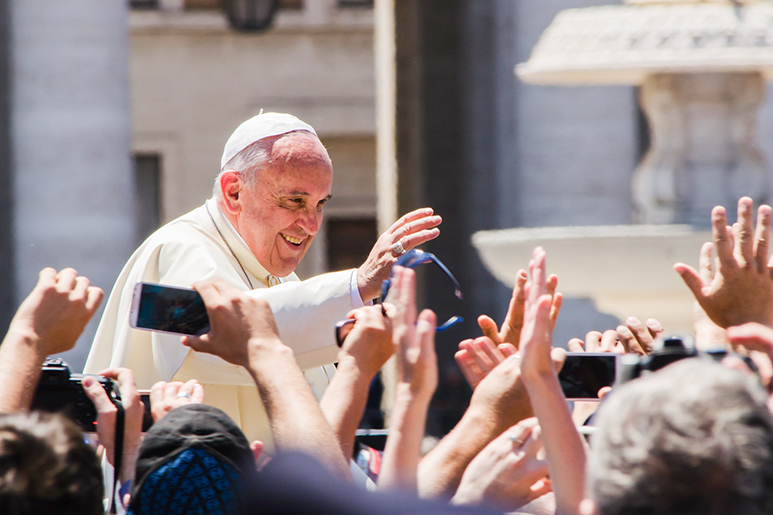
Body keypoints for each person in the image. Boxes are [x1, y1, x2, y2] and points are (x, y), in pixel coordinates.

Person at [84, 112, 441, 445]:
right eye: (294, 201)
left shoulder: (284, 284)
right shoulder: (179, 248)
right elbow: (222, 336)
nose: (312, 224)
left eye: (320, 204)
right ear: (233, 192)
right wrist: (357, 285)